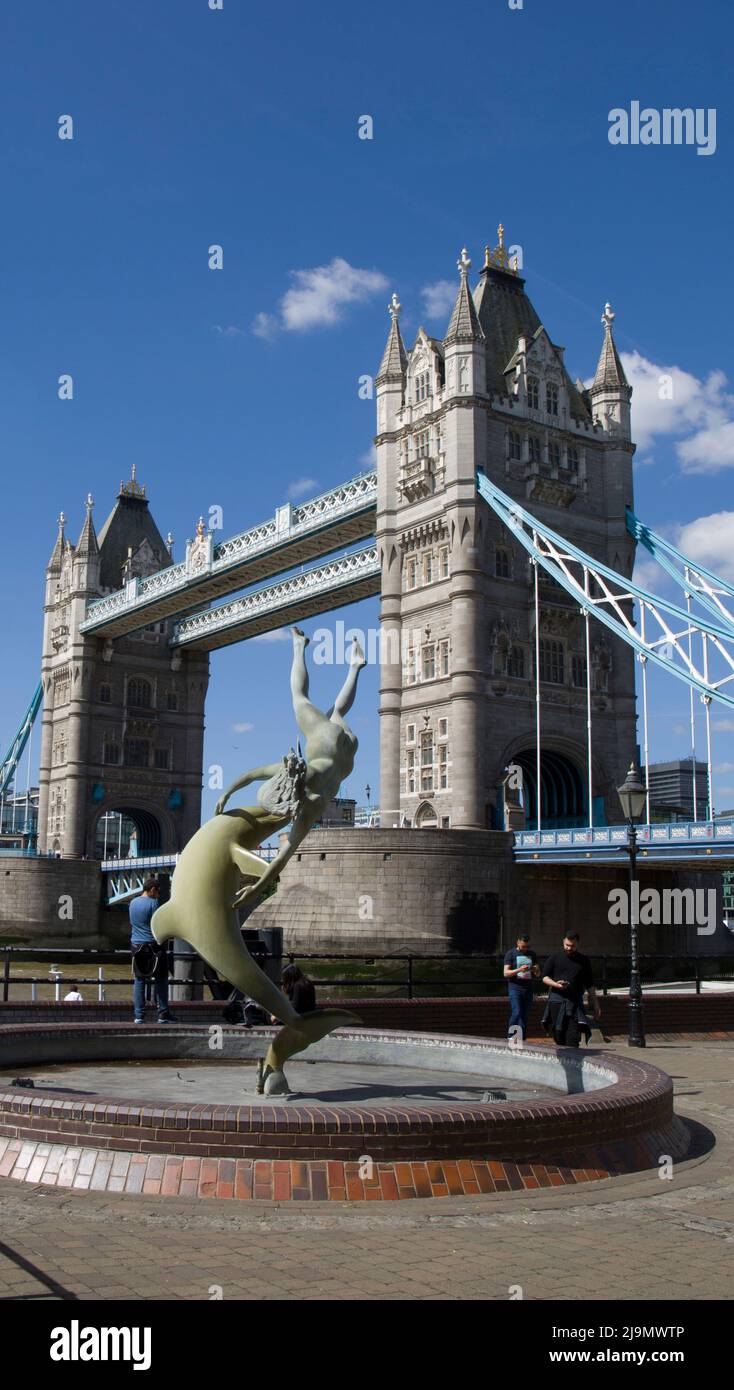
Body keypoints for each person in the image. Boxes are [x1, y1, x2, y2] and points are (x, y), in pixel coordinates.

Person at [541, 932, 600, 1047]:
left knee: (573, 1037)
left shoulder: (584, 960)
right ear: (563, 942)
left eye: (572, 946)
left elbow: (589, 984)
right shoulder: (554, 958)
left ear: (578, 944)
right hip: (556, 1002)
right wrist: (556, 984)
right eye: (567, 945)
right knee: (558, 1036)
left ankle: (573, 1059)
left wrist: (596, 1003)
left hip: (574, 1003)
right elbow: (544, 977)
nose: (569, 948)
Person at [129, 877, 173, 1024]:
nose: (159, 895)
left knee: (139, 980)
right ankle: (163, 1014)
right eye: (158, 892)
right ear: (152, 889)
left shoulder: (132, 903)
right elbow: (160, 925)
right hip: (153, 946)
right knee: (161, 979)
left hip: (136, 946)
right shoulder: (154, 904)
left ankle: (139, 1016)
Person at [503, 933, 539, 1041]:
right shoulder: (511, 954)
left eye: (527, 947)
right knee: (517, 1012)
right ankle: (511, 1037)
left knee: (525, 1016)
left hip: (528, 988)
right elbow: (505, 973)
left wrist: (535, 969)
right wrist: (519, 970)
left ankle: (521, 1039)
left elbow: (538, 974)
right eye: (523, 946)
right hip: (515, 988)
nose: (525, 949)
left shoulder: (532, 954)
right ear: (518, 943)